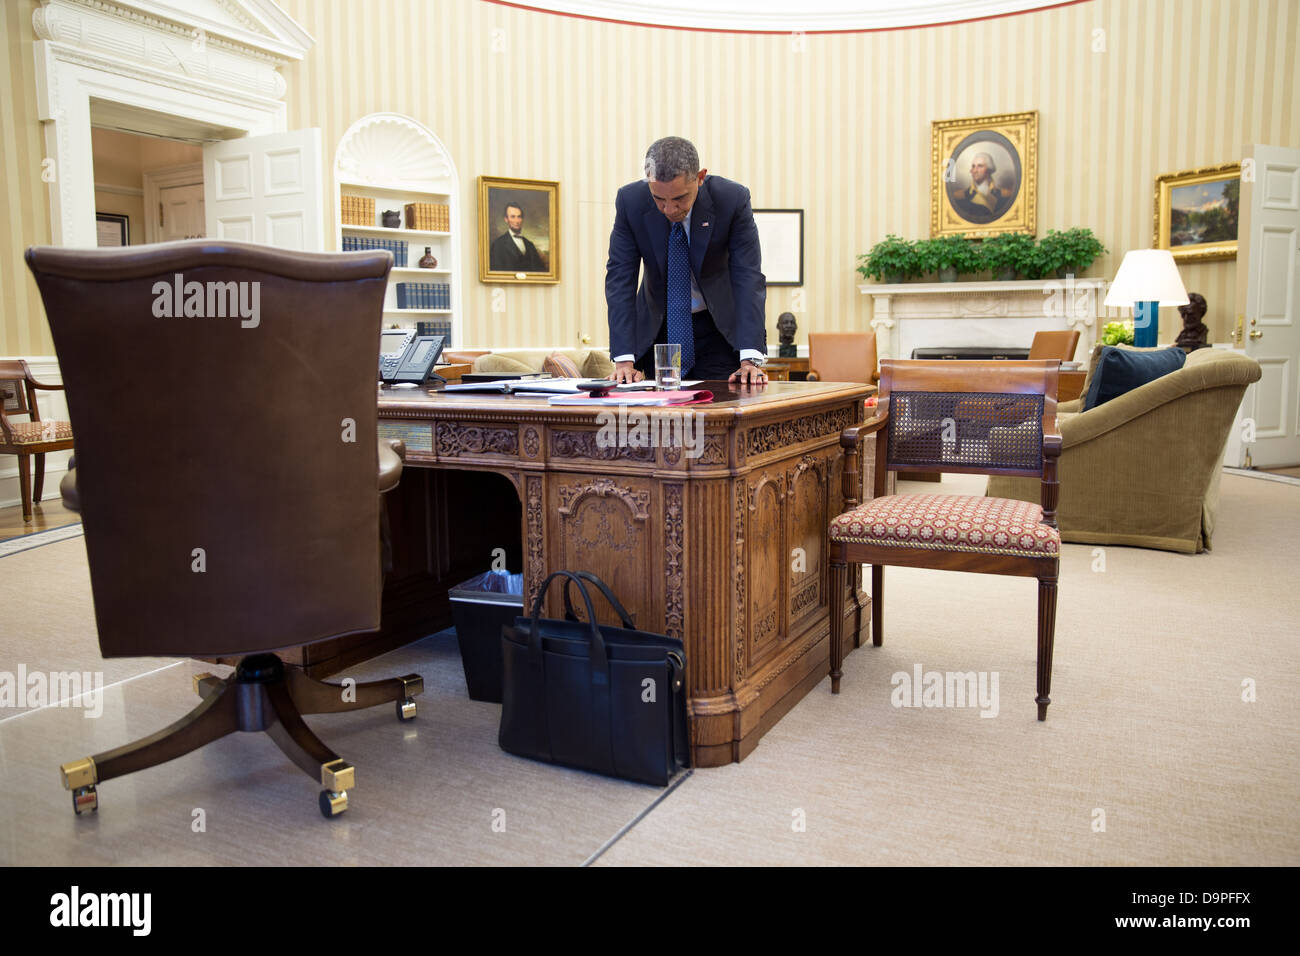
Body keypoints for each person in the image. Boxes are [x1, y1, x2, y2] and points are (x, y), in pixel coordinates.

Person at [605, 136, 767, 385]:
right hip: (658, 331)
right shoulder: (631, 201)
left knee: (715, 415)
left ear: (700, 178)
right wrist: (624, 360)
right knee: (660, 419)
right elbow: (620, 279)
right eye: (659, 199)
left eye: (679, 198)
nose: (669, 210)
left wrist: (750, 358)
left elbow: (748, 276)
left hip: (716, 330)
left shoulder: (731, 200)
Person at [949, 150, 1014, 224]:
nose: (975, 170)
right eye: (973, 166)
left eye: (980, 166)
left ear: (989, 169)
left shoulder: (1005, 195)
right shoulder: (959, 196)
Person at [489, 202, 546, 272]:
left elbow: (540, 272)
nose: (517, 221)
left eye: (519, 217)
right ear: (506, 219)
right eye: (513, 217)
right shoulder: (497, 245)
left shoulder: (530, 245)